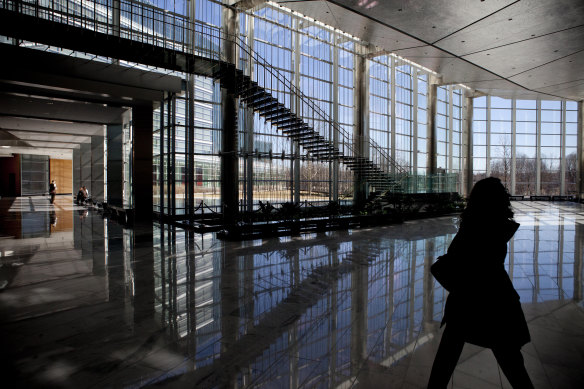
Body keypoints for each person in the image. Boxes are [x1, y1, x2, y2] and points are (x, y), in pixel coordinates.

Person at [428, 177, 533, 389]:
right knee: (512, 363)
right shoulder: (499, 227)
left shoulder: (473, 229)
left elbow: (457, 258)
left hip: (466, 302)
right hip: (498, 302)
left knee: (445, 361)